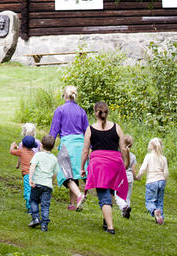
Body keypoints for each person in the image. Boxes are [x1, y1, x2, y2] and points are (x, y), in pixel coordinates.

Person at [81, 101, 130, 235]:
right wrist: (125, 162)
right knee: (109, 192)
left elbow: (85, 151)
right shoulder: (117, 127)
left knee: (103, 196)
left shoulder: (90, 129)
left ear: (96, 113)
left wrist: (82, 167)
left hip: (99, 165)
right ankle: (105, 219)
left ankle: (110, 227)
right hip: (115, 164)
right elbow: (123, 148)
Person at [48, 85, 88, 210]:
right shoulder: (82, 111)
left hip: (68, 145)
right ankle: (72, 204)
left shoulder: (60, 110)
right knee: (74, 175)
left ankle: (79, 195)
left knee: (64, 175)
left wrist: (48, 146)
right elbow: (87, 131)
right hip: (81, 145)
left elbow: (54, 130)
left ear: (65, 96)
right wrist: (90, 147)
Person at [28, 134, 59, 231]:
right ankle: (44, 225)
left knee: (33, 200)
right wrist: (51, 181)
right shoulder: (55, 159)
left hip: (37, 183)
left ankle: (36, 218)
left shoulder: (38, 155)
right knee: (45, 205)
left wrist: (30, 179)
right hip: (48, 185)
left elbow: (32, 166)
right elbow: (55, 173)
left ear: (41, 145)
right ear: (53, 147)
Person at [136, 137, 168, 224]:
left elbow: (143, 169)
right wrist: (165, 181)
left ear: (151, 146)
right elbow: (166, 172)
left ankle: (154, 211)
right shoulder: (163, 158)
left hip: (151, 181)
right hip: (161, 181)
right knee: (159, 201)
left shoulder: (148, 157)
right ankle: (160, 216)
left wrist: (138, 176)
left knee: (150, 201)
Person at [9, 131, 38, 211]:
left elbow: (12, 151)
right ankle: (35, 205)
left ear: (23, 145)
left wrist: (12, 146)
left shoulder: (21, 151)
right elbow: (24, 152)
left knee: (28, 191)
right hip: (35, 175)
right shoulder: (33, 152)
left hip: (27, 175)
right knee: (33, 191)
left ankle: (30, 208)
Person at [114, 133, 137, 218]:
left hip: (121, 177)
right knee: (127, 196)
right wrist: (136, 177)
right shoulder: (133, 156)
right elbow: (133, 169)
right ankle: (125, 212)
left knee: (118, 195)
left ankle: (124, 207)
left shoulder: (119, 154)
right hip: (130, 177)